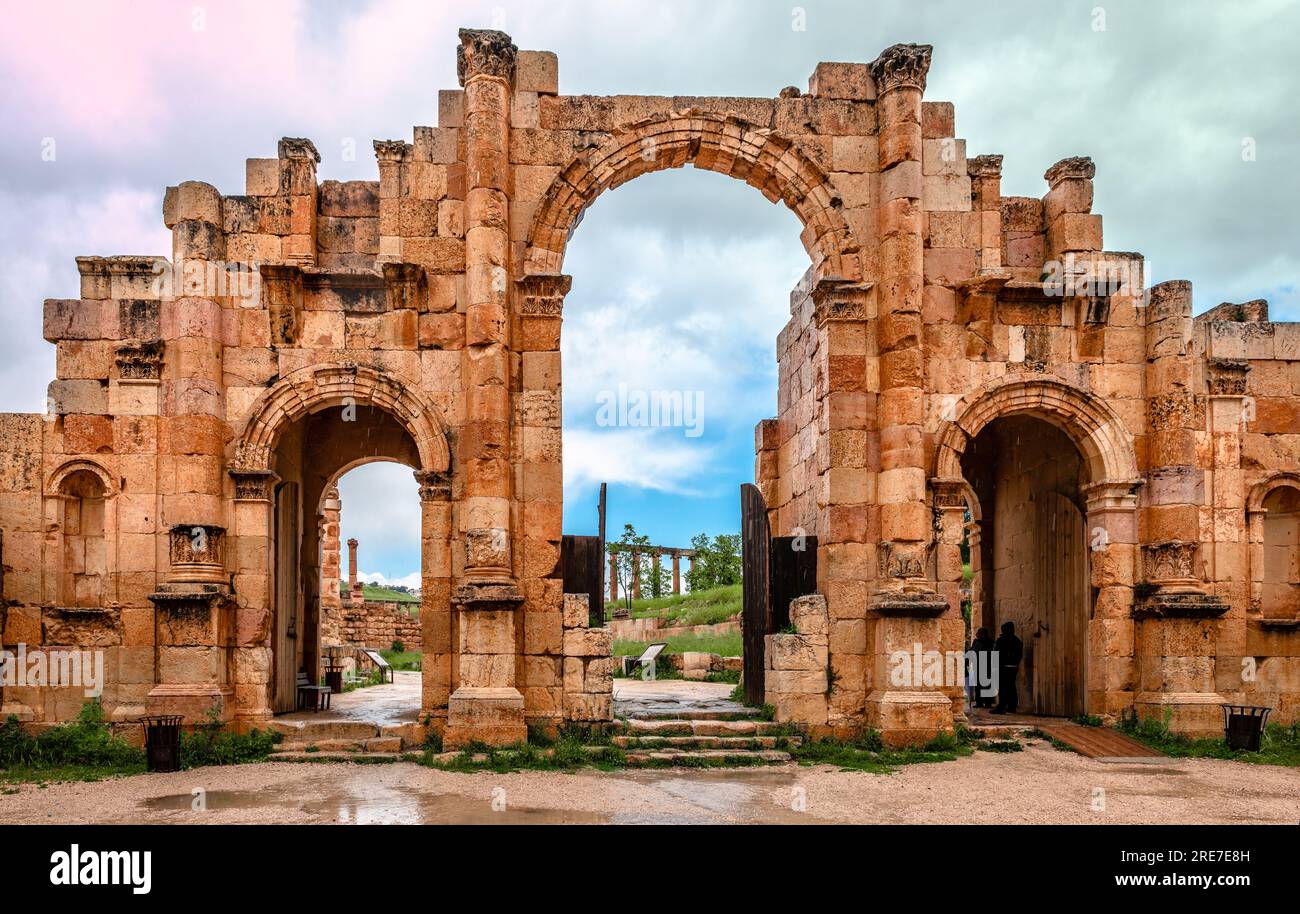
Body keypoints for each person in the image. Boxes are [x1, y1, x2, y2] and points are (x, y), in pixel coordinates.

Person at [991, 621, 1023, 714]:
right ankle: (1012, 707)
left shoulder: (1001, 640)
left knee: (1003, 687)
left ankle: (1001, 707)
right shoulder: (1017, 641)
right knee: (1011, 686)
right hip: (1013, 667)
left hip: (1003, 666)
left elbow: (996, 654)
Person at [967, 627, 996, 708]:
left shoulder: (990, 642)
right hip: (977, 665)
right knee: (978, 685)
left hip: (987, 665)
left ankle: (988, 702)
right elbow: (972, 650)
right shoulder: (976, 642)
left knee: (987, 685)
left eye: (979, 633)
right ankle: (979, 702)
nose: (977, 634)